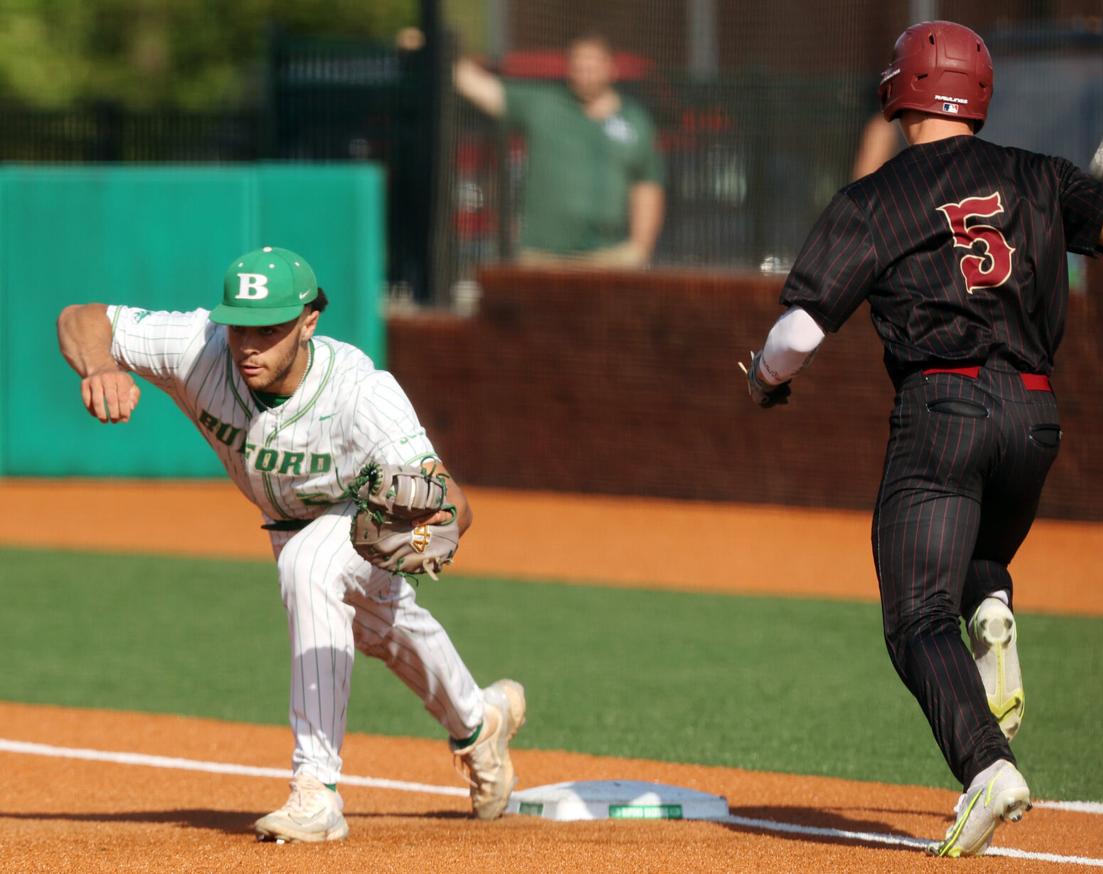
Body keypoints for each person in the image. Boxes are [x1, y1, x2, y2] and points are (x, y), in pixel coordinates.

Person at [742, 21, 1103, 858]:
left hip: (944, 410)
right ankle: (990, 603)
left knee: (916, 616)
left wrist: (764, 380)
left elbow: (798, 336)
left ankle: (987, 765)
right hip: (1035, 415)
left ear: (899, 91)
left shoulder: (875, 198)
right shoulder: (1038, 173)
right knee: (978, 551)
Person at [56, 246, 527, 842]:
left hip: (361, 517)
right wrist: (100, 366)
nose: (249, 346)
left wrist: (420, 534)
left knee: (310, 566)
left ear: (309, 322)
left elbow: (454, 504)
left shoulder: (360, 392)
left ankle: (316, 790)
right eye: (240, 328)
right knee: (381, 628)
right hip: (285, 523)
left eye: (269, 330)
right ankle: (479, 723)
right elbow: (81, 319)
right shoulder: (198, 348)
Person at [454, 31, 665, 266]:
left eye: (593, 64)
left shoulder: (635, 121)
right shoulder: (543, 105)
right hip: (543, 258)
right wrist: (441, 48)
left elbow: (647, 185)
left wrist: (640, 248)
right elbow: (481, 89)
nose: (585, 71)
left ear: (611, 68)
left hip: (610, 258)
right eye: (579, 65)